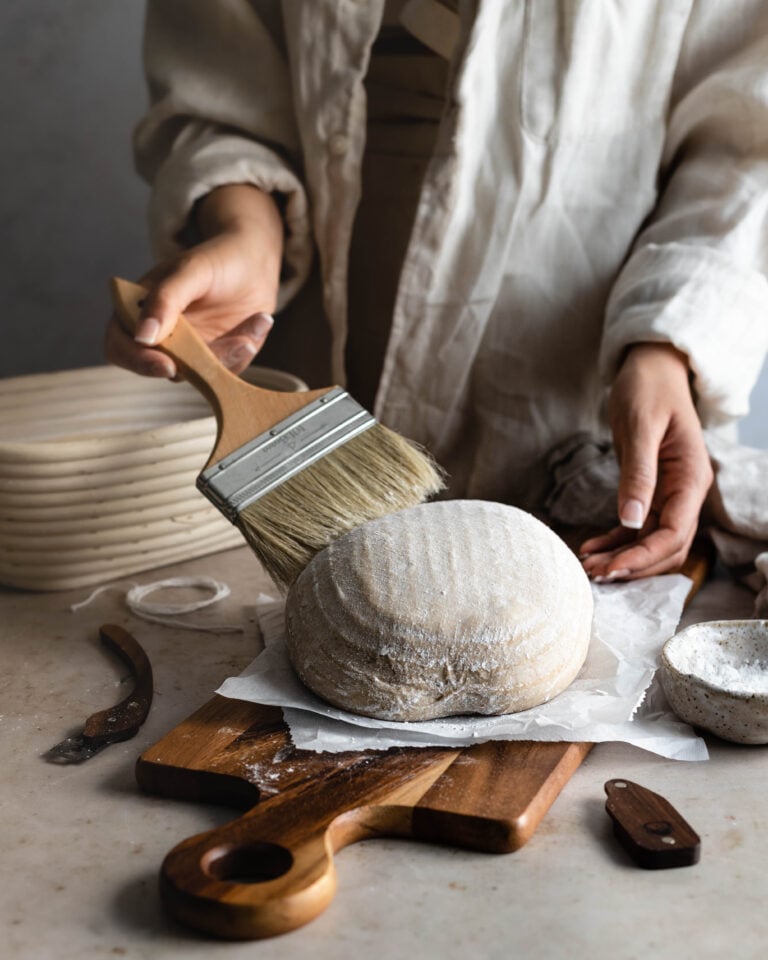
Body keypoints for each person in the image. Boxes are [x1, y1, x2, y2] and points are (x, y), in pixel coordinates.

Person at [106, 0, 768, 583]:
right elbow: (220, 78)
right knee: (323, 608)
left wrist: (665, 345)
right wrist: (246, 228)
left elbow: (743, 146)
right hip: (303, 348)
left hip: (575, 395)